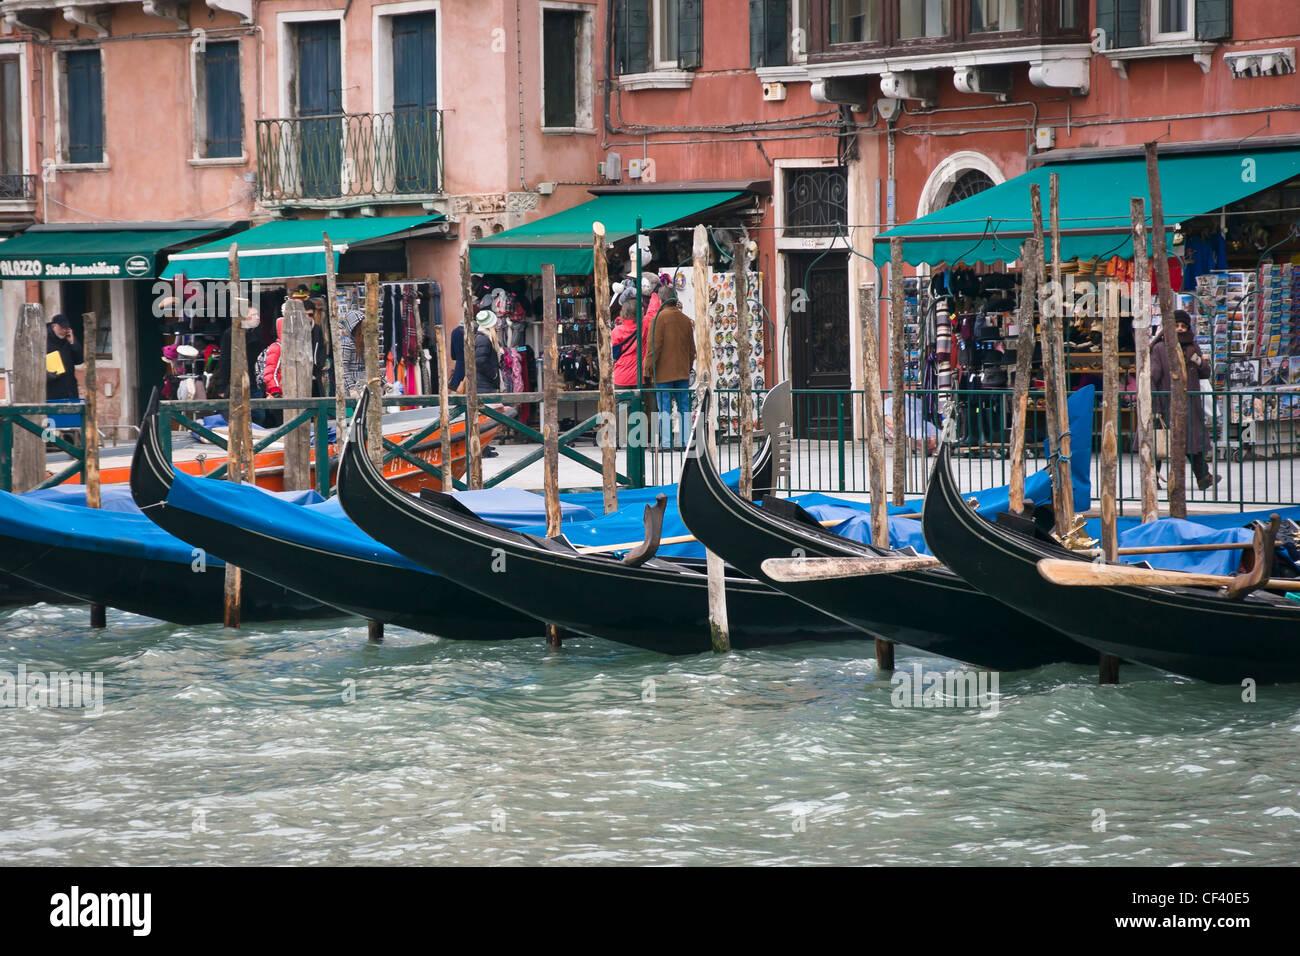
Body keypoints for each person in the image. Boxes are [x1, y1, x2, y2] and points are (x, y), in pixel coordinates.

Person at [1151, 309, 1219, 491]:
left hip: (1190, 403)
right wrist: (1156, 405)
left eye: (1183, 326)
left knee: (1192, 441)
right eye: (1177, 326)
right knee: (1161, 442)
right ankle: (1151, 478)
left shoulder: (1192, 346)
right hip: (1167, 404)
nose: (1180, 329)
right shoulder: (1159, 348)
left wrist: (1198, 360)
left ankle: (1203, 477)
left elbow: (1205, 373)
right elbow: (1152, 378)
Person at [642, 285, 695, 450]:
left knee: (664, 407)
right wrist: (687, 367)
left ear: (661, 300)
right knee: (684, 407)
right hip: (682, 372)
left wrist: (647, 369)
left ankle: (666, 443)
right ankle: (686, 442)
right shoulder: (686, 320)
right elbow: (692, 350)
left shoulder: (657, 320)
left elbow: (653, 348)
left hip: (663, 373)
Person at [211, 308, 264, 400]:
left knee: (257, 412)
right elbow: (225, 360)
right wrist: (222, 386)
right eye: (254, 315)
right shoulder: (230, 334)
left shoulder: (256, 333)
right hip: (236, 382)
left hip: (254, 383)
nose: (258, 317)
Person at [45, 314, 84, 401]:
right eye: (62, 328)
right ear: (53, 326)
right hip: (52, 388)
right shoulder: (44, 340)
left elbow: (79, 360)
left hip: (70, 387)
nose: (64, 330)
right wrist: (46, 374)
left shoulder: (69, 340)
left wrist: (73, 344)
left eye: (66, 328)